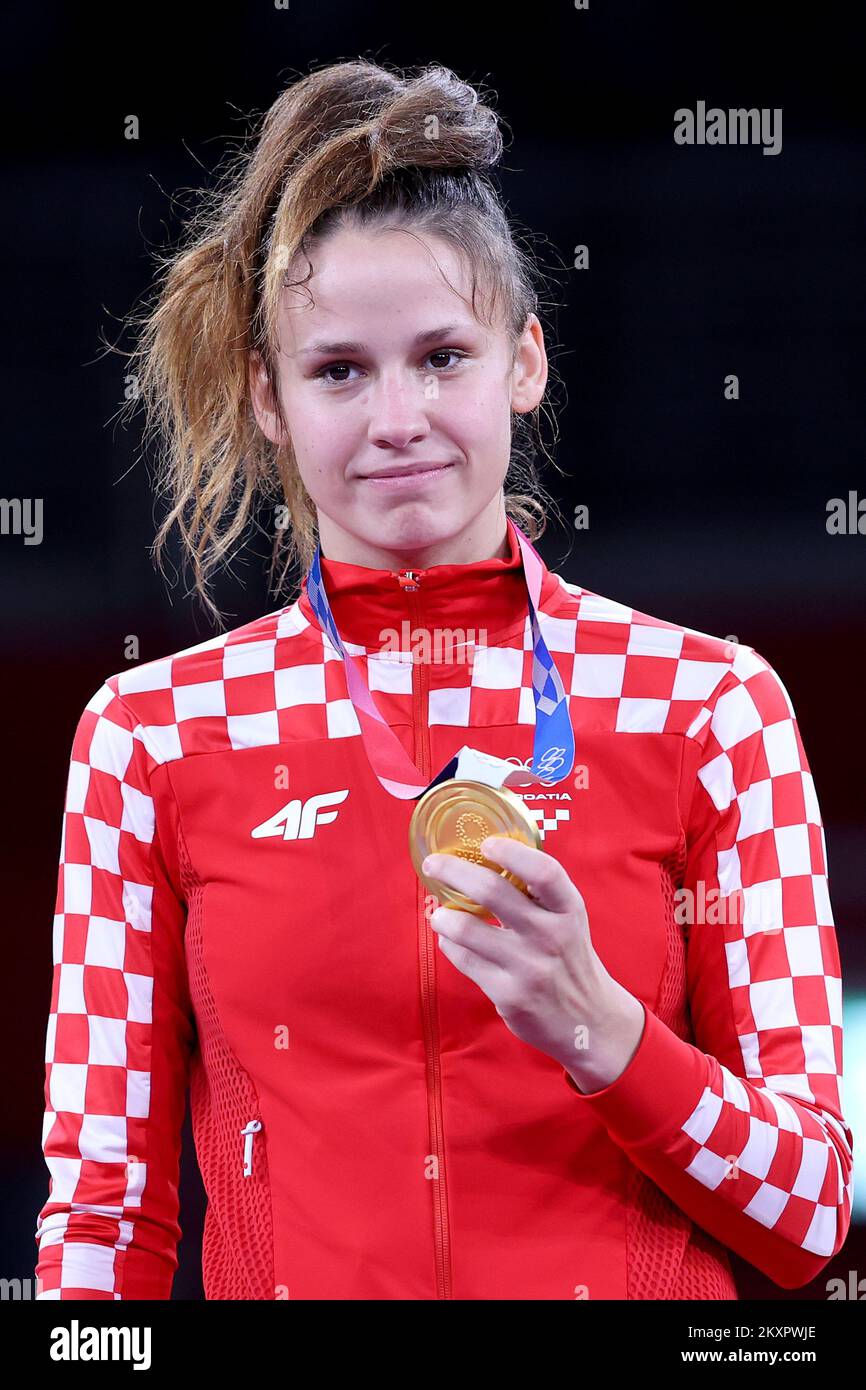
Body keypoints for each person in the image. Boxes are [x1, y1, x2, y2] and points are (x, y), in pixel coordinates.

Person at [33, 58, 852, 1301]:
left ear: (521, 362)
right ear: (268, 395)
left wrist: (599, 1025)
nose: (396, 416)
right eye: (339, 372)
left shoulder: (707, 708)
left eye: (441, 357)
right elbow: (103, 1217)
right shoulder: (153, 738)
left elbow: (810, 1214)